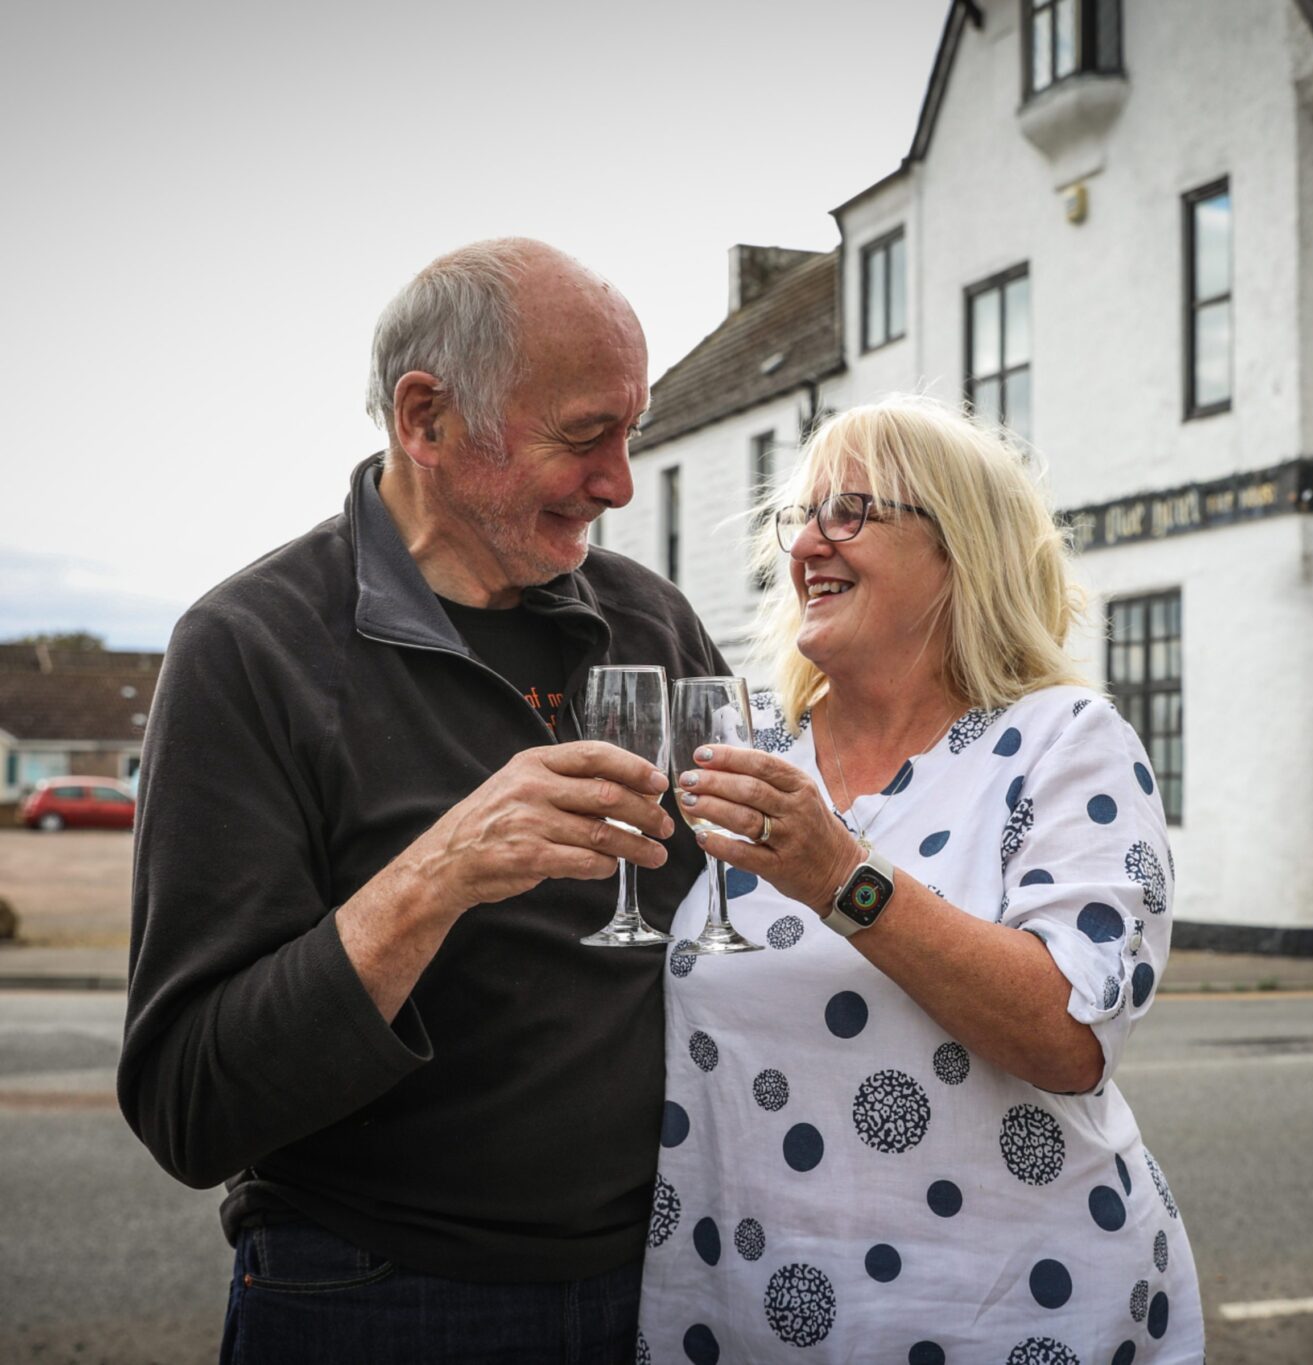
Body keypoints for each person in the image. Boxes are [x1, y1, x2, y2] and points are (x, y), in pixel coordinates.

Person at [118, 238, 723, 1363]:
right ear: (426, 418)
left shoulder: (650, 623)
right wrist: (438, 875)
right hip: (373, 1297)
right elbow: (189, 1105)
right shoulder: (248, 649)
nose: (620, 482)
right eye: (584, 434)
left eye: (629, 434)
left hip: (665, 1275)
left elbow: (735, 924)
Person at [636, 398, 1202, 1363]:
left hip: (1015, 1309)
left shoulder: (1064, 741)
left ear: (960, 551)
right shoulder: (748, 748)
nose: (808, 541)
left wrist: (840, 876)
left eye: (851, 511)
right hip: (742, 1307)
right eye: (801, 516)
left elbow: (1069, 1037)